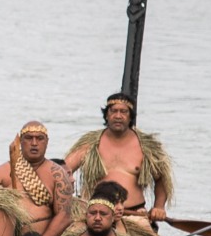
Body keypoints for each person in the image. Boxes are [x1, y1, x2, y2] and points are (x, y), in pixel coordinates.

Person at [64, 93, 174, 224]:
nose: (118, 116)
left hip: (134, 214)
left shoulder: (146, 148)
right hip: (96, 214)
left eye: (123, 112)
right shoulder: (90, 144)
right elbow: (62, 171)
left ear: (130, 116)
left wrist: (158, 207)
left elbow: (161, 180)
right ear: (106, 115)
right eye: (113, 111)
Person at [0, 121, 75, 236]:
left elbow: (64, 217)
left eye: (39, 139)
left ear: (47, 142)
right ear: (20, 142)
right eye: (29, 138)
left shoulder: (58, 174)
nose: (34, 143)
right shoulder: (2, 173)